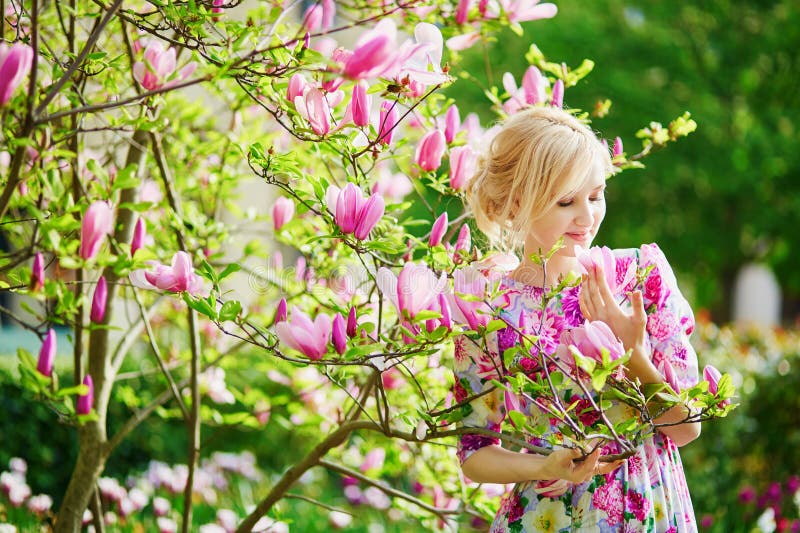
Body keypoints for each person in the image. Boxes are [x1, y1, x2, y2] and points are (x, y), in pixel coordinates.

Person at [454, 105, 701, 532]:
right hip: (543, 517)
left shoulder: (642, 278)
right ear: (516, 204)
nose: (587, 218)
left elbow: (686, 430)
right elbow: (474, 452)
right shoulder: (489, 309)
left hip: (649, 507)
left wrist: (634, 356)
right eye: (566, 201)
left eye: (595, 194)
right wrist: (542, 465)